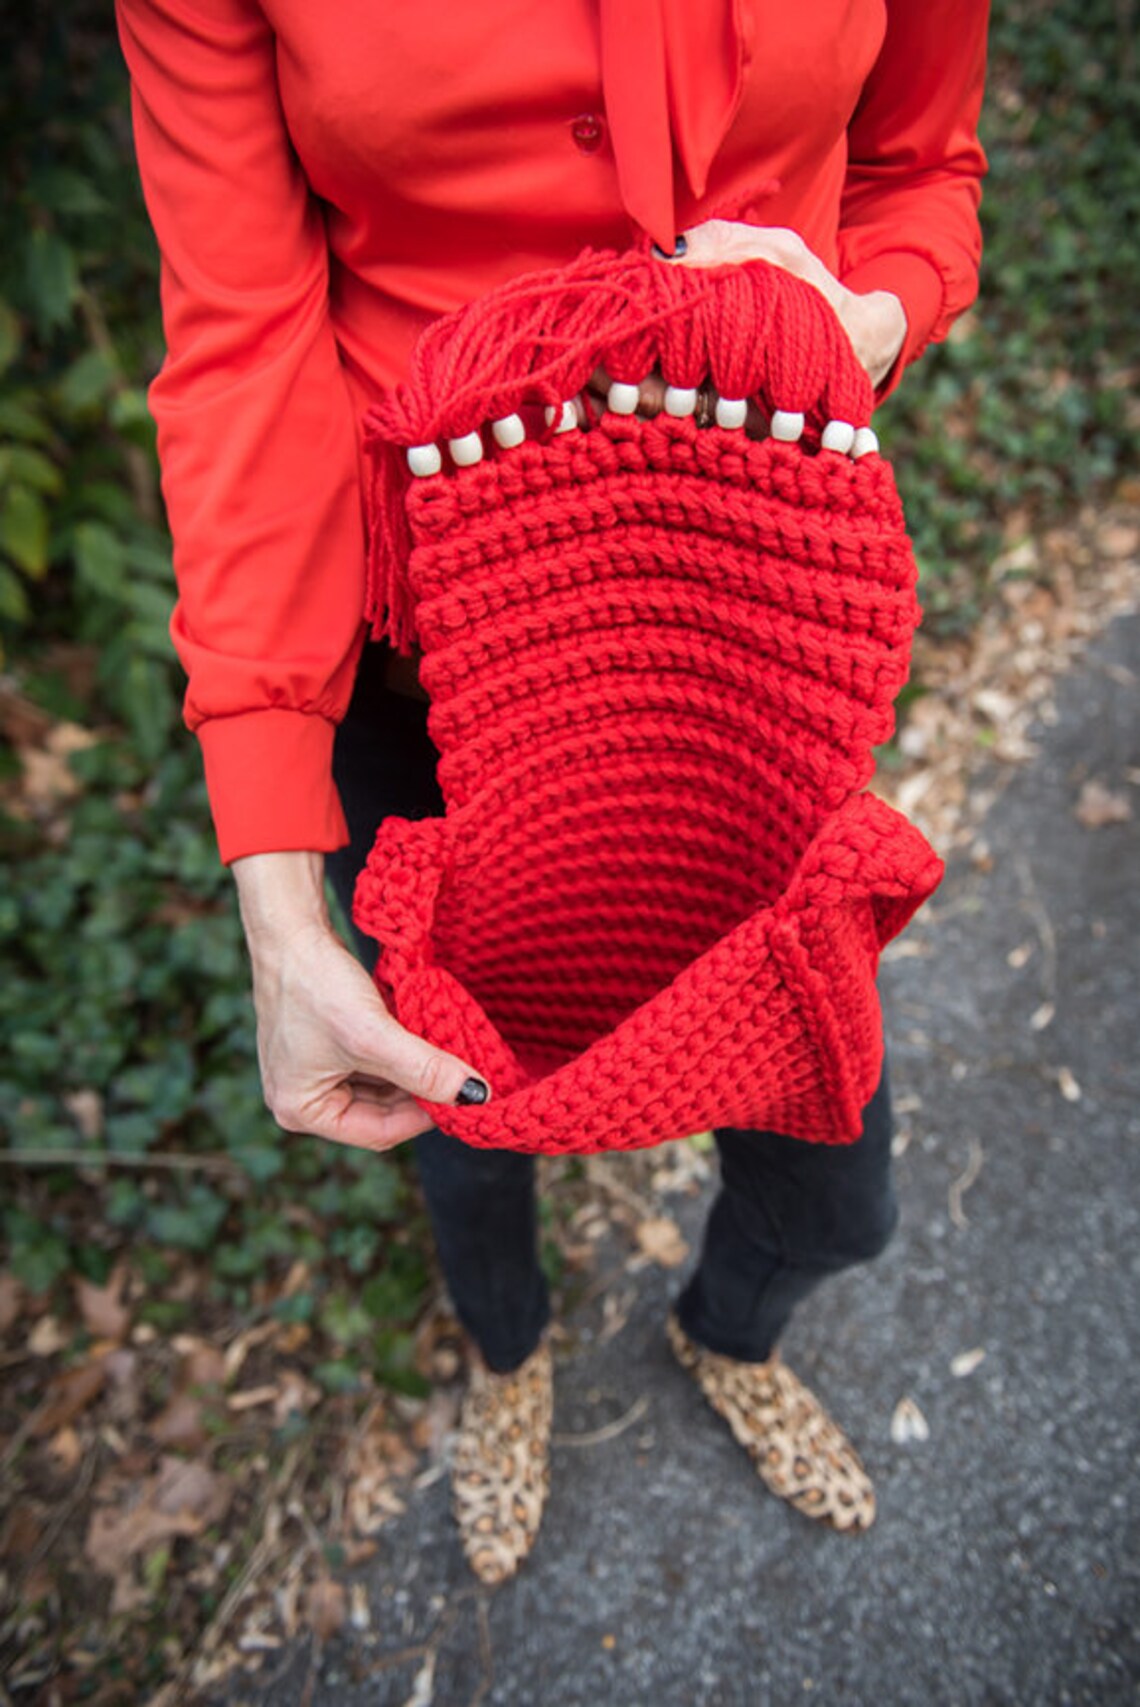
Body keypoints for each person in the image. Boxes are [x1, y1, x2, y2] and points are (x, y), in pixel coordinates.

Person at [116, 0, 990, 1585]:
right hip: (445, 649)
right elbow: (242, 342)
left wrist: (867, 324)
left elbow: (923, 172)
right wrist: (276, 893)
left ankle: (729, 1336)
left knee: (835, 1175)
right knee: (460, 1117)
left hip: (750, 634)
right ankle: (509, 1363)